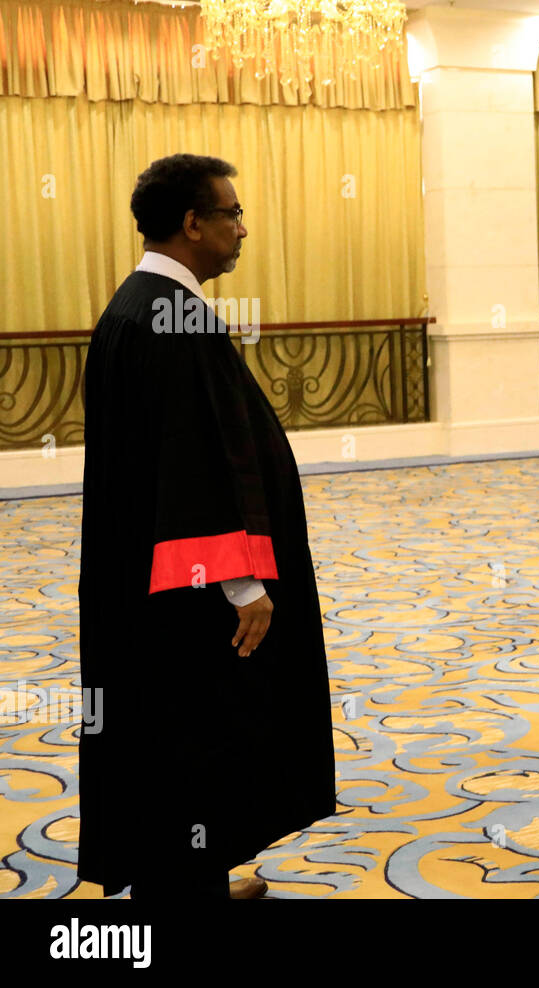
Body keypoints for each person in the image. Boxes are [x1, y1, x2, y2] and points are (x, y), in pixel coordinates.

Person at [77, 154, 336, 899]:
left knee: (173, 727)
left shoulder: (139, 306)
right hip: (190, 587)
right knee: (195, 727)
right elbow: (194, 469)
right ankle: (184, 889)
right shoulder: (170, 317)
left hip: (148, 576)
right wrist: (244, 583)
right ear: (192, 223)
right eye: (231, 214)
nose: (242, 229)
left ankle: (190, 875)